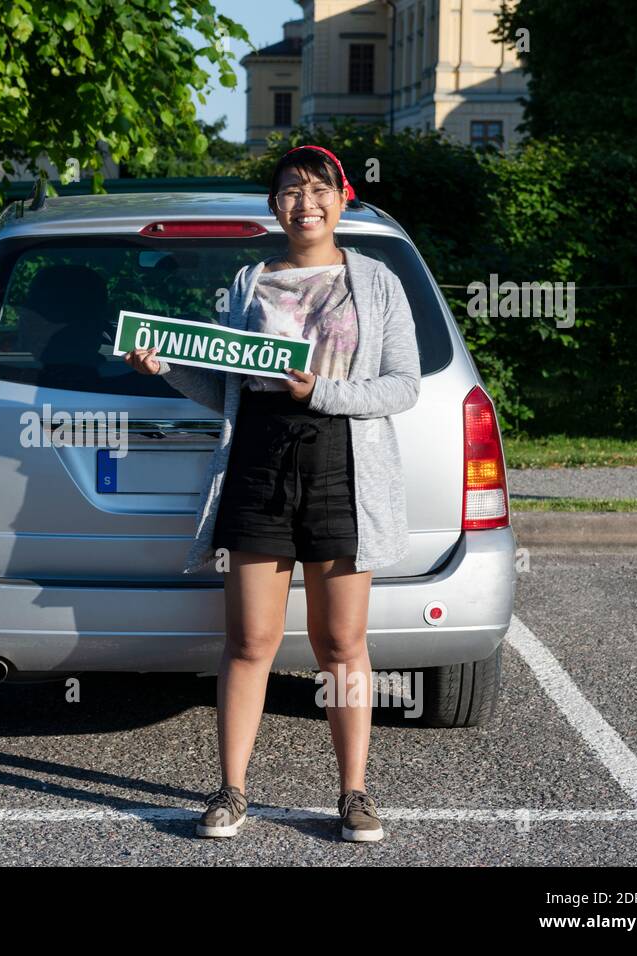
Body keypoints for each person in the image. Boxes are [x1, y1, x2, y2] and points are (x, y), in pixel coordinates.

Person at [123, 145, 420, 842]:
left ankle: (353, 792)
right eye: (290, 189)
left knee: (342, 643)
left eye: (318, 189)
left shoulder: (377, 282)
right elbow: (224, 382)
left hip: (342, 462)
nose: (304, 201)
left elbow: (403, 385)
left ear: (343, 199)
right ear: (274, 205)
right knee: (249, 638)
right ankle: (231, 790)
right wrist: (165, 368)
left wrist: (322, 390)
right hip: (258, 459)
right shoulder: (248, 280)